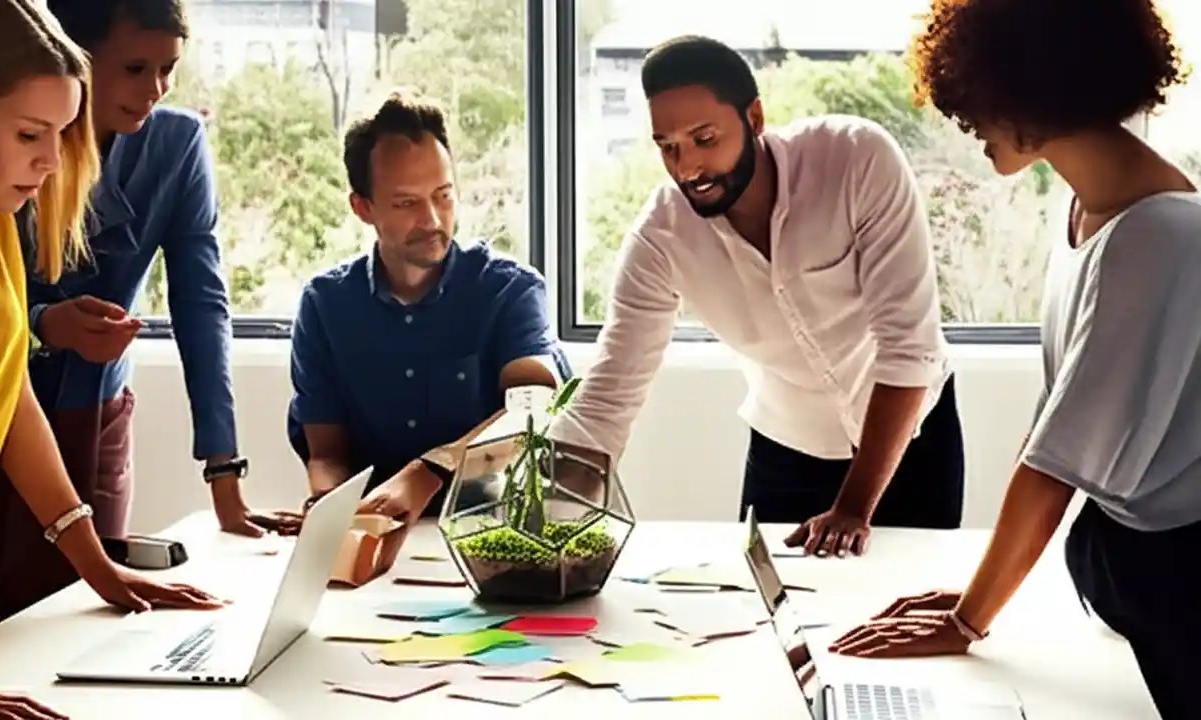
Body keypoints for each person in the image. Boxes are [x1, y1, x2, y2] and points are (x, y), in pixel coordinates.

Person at [828, 2, 1200, 718]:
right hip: (1119, 550)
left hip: (1178, 576)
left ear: (1033, 90)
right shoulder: (1088, 213)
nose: (968, 127)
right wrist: (973, 600)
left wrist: (968, 619)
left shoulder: (1160, 236)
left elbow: (1054, 463)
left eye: (976, 111)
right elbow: (1058, 425)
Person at [547, 35, 965, 556]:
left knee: (909, 613)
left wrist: (854, 509)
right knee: (765, 612)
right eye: (668, 147)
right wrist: (546, 521)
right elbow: (607, 400)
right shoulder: (661, 237)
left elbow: (910, 349)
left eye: (705, 138)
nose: (688, 168)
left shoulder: (855, 159)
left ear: (755, 117)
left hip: (910, 437)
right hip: (787, 447)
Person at [0, 0, 223, 716]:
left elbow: (6, 388)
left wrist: (98, 564)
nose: (53, 161)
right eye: (30, 133)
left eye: (61, 133)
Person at [0, 0, 289, 621]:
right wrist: (43, 325)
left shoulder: (177, 145)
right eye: (136, 68)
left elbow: (202, 304)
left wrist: (225, 474)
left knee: (92, 607)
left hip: (100, 416)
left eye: (168, 69)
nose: (155, 90)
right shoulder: (10, 143)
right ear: (76, 57)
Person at [287, 91, 567, 555]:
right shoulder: (325, 304)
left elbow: (532, 410)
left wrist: (428, 473)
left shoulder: (510, 290)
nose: (432, 219)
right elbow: (327, 453)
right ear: (363, 208)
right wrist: (329, 510)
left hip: (496, 538)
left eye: (443, 196)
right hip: (375, 543)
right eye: (405, 203)